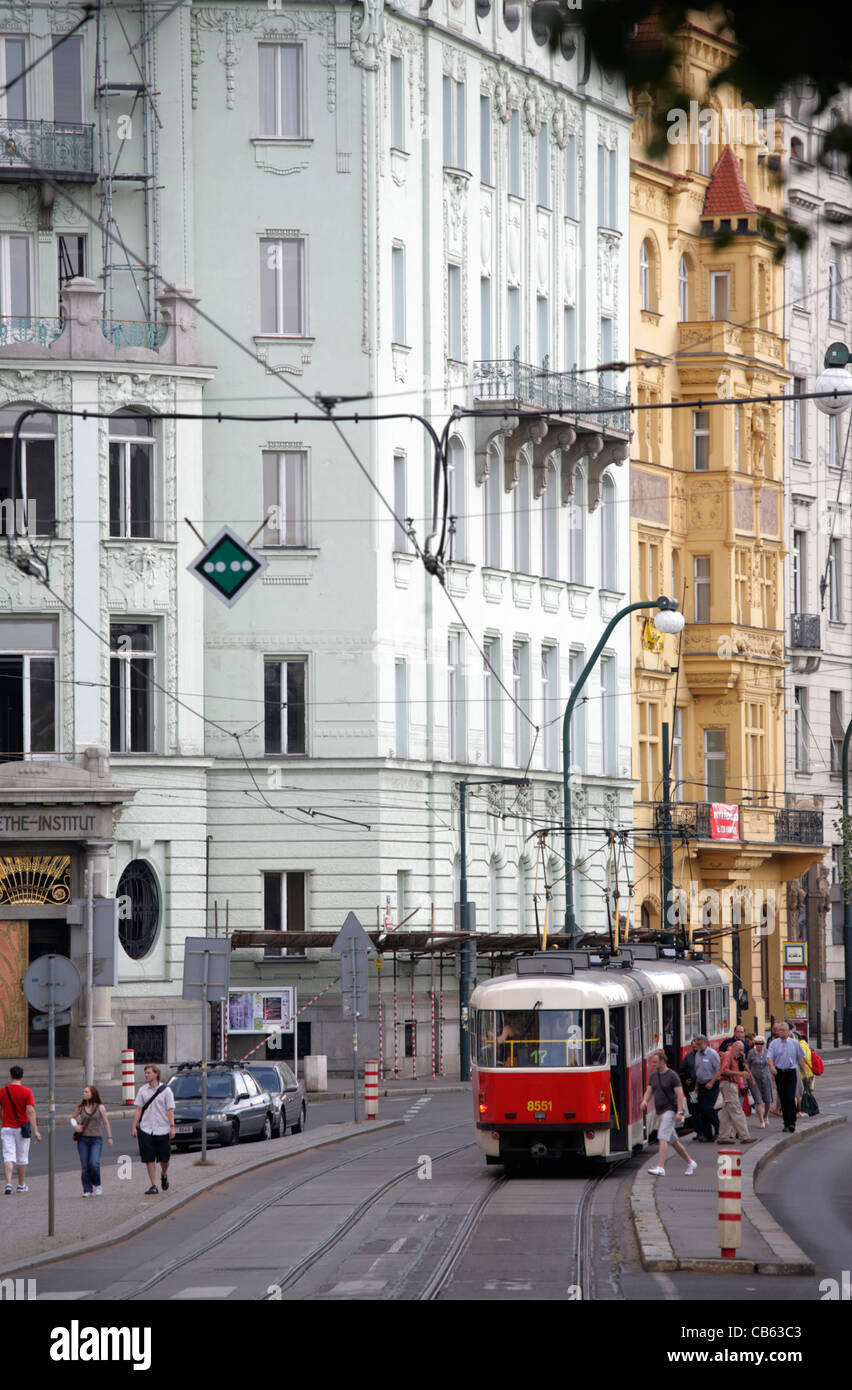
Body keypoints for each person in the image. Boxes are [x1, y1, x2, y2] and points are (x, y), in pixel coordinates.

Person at [642, 1051, 697, 1177]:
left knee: (662, 1137)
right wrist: (645, 1101)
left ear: (662, 1061)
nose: (653, 1064)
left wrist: (679, 1112)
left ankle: (660, 1167)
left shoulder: (672, 1076)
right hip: (660, 1111)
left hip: (669, 1110)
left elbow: (679, 1094)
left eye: (655, 1062)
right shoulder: (653, 1076)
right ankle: (690, 1162)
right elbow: (649, 1091)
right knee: (673, 1141)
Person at [131, 1063, 175, 1194]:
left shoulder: (166, 1091)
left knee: (164, 1159)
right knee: (149, 1158)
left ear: (156, 1074)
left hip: (162, 1128)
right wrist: (134, 1126)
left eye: (149, 1073)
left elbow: (170, 1110)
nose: (146, 1075)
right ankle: (153, 1185)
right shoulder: (142, 1090)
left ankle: (164, 1173)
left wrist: (172, 1127)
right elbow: (138, 1109)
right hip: (146, 1128)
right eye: (145, 1073)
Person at [1, 1065, 41, 1195]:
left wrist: (4, 1119)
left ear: (11, 1075)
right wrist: (35, 1130)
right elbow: (30, 1111)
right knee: (22, 1158)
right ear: (22, 1076)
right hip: (22, 1129)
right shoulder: (27, 1092)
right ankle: (21, 1184)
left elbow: (1, 1110)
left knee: (8, 1156)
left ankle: (8, 1183)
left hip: (7, 1127)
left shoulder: (2, 1091)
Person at [72, 1085, 114, 1196]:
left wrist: (110, 1137)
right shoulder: (81, 1107)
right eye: (83, 1092)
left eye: (86, 1092)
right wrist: (75, 1126)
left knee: (94, 1163)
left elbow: (105, 1122)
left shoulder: (100, 1107)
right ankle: (87, 1189)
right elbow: (72, 1118)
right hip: (83, 1139)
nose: (84, 1094)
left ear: (92, 1093)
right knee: (85, 1165)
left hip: (96, 1139)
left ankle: (97, 1184)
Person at [767, 1023, 806, 1133]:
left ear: (788, 1031)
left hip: (791, 1072)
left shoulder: (794, 1043)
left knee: (790, 1096)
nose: (781, 1032)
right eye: (779, 1030)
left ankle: (792, 1122)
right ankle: (786, 1123)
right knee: (783, 1098)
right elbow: (769, 1057)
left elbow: (800, 1058)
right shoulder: (774, 1043)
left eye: (783, 1030)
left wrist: (805, 1073)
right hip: (779, 1073)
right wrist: (772, 1067)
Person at [717, 1041, 756, 1143]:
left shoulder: (734, 1058)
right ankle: (744, 1136)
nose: (741, 1052)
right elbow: (724, 1070)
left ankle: (723, 1136)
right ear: (734, 1047)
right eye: (740, 1049)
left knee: (727, 1112)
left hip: (730, 1084)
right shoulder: (728, 1055)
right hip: (729, 1084)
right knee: (737, 1110)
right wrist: (740, 1074)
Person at [692, 1034, 721, 1142]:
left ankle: (718, 1125)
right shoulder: (697, 1055)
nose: (698, 1046)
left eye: (699, 1043)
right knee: (702, 1111)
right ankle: (708, 1135)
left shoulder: (712, 1054)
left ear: (705, 1042)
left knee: (707, 1107)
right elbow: (698, 1071)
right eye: (697, 1044)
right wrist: (696, 1086)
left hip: (712, 1084)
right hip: (701, 1084)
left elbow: (718, 1070)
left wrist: (712, 1082)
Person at [746, 1036, 774, 1128]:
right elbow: (747, 1065)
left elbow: (771, 1063)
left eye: (761, 1044)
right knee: (758, 1100)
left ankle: (766, 1116)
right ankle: (761, 1120)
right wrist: (750, 1076)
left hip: (766, 1078)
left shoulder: (767, 1052)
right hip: (754, 1079)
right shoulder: (751, 1053)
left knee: (768, 1100)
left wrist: (772, 1073)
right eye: (756, 1043)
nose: (758, 1045)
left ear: (764, 1044)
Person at [678, 1040, 700, 1134]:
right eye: (693, 1046)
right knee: (694, 1109)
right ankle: (698, 1131)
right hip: (692, 1089)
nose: (695, 1048)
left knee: (703, 1109)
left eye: (696, 1046)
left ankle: (704, 1131)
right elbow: (682, 1070)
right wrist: (686, 1078)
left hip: (703, 1087)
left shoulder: (705, 1056)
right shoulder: (688, 1057)